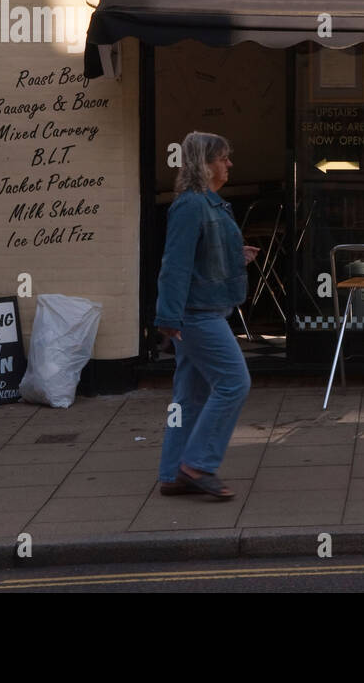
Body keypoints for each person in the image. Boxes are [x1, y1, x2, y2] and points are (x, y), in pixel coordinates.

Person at [155, 132, 260, 499]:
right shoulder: (190, 206)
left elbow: (201, 254)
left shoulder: (208, 203)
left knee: (190, 396)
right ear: (204, 164)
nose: (229, 164)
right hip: (197, 315)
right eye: (223, 158)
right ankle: (197, 464)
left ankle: (172, 473)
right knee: (234, 382)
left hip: (204, 308)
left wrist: (236, 255)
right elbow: (175, 264)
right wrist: (168, 318)